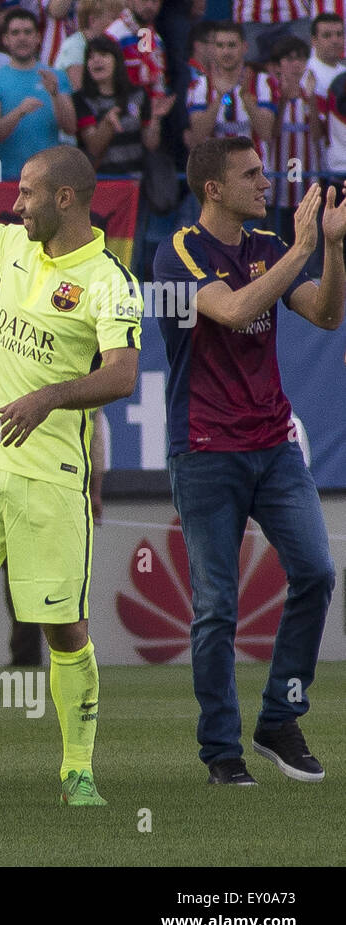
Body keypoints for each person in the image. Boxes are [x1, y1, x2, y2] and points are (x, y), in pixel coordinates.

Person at [0, 94, 142, 807]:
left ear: (67, 197)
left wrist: (47, 396)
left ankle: (77, 768)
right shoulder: (12, 246)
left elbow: (122, 374)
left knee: (63, 625)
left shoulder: (110, 281)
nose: (17, 206)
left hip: (51, 475)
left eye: (26, 194)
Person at [153, 136, 343, 786]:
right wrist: (303, 249)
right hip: (205, 449)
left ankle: (279, 718)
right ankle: (221, 753)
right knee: (216, 605)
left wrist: (334, 251)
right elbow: (233, 311)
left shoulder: (266, 248)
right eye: (252, 174)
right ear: (213, 188)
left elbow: (322, 313)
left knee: (316, 572)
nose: (266, 183)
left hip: (273, 443)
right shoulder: (179, 250)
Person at [0, 8, 76, 181]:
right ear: (5, 39)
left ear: (38, 38)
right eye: (15, 33)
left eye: (28, 32)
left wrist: (55, 95)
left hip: (48, 178)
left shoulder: (56, 76)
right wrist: (20, 112)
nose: (22, 38)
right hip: (6, 177)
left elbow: (70, 128)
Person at [74, 35, 168, 177]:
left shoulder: (138, 94)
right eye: (91, 57)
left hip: (135, 183)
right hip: (100, 183)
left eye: (103, 55)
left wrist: (156, 117)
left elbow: (151, 144)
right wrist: (107, 124)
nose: (96, 60)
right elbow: (93, 148)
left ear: (117, 61)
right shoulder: (81, 99)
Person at [186, 21, 275, 157]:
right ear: (214, 49)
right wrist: (219, 97)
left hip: (253, 171)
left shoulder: (263, 82)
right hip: (216, 171)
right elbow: (198, 136)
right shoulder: (199, 85)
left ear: (244, 47)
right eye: (220, 46)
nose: (226, 52)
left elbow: (266, 133)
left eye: (232, 45)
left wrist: (246, 97)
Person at [268, 36, 321, 237]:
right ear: (278, 64)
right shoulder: (269, 92)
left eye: (300, 58)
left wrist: (312, 97)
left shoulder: (311, 95)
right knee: (277, 241)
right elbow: (269, 134)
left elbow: (317, 135)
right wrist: (283, 99)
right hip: (277, 179)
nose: (296, 64)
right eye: (289, 59)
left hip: (306, 178)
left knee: (308, 240)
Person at [52, 0, 123, 90]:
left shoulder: (109, 45)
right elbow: (79, 89)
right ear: (92, 20)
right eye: (114, 18)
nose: (119, 23)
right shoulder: (74, 45)